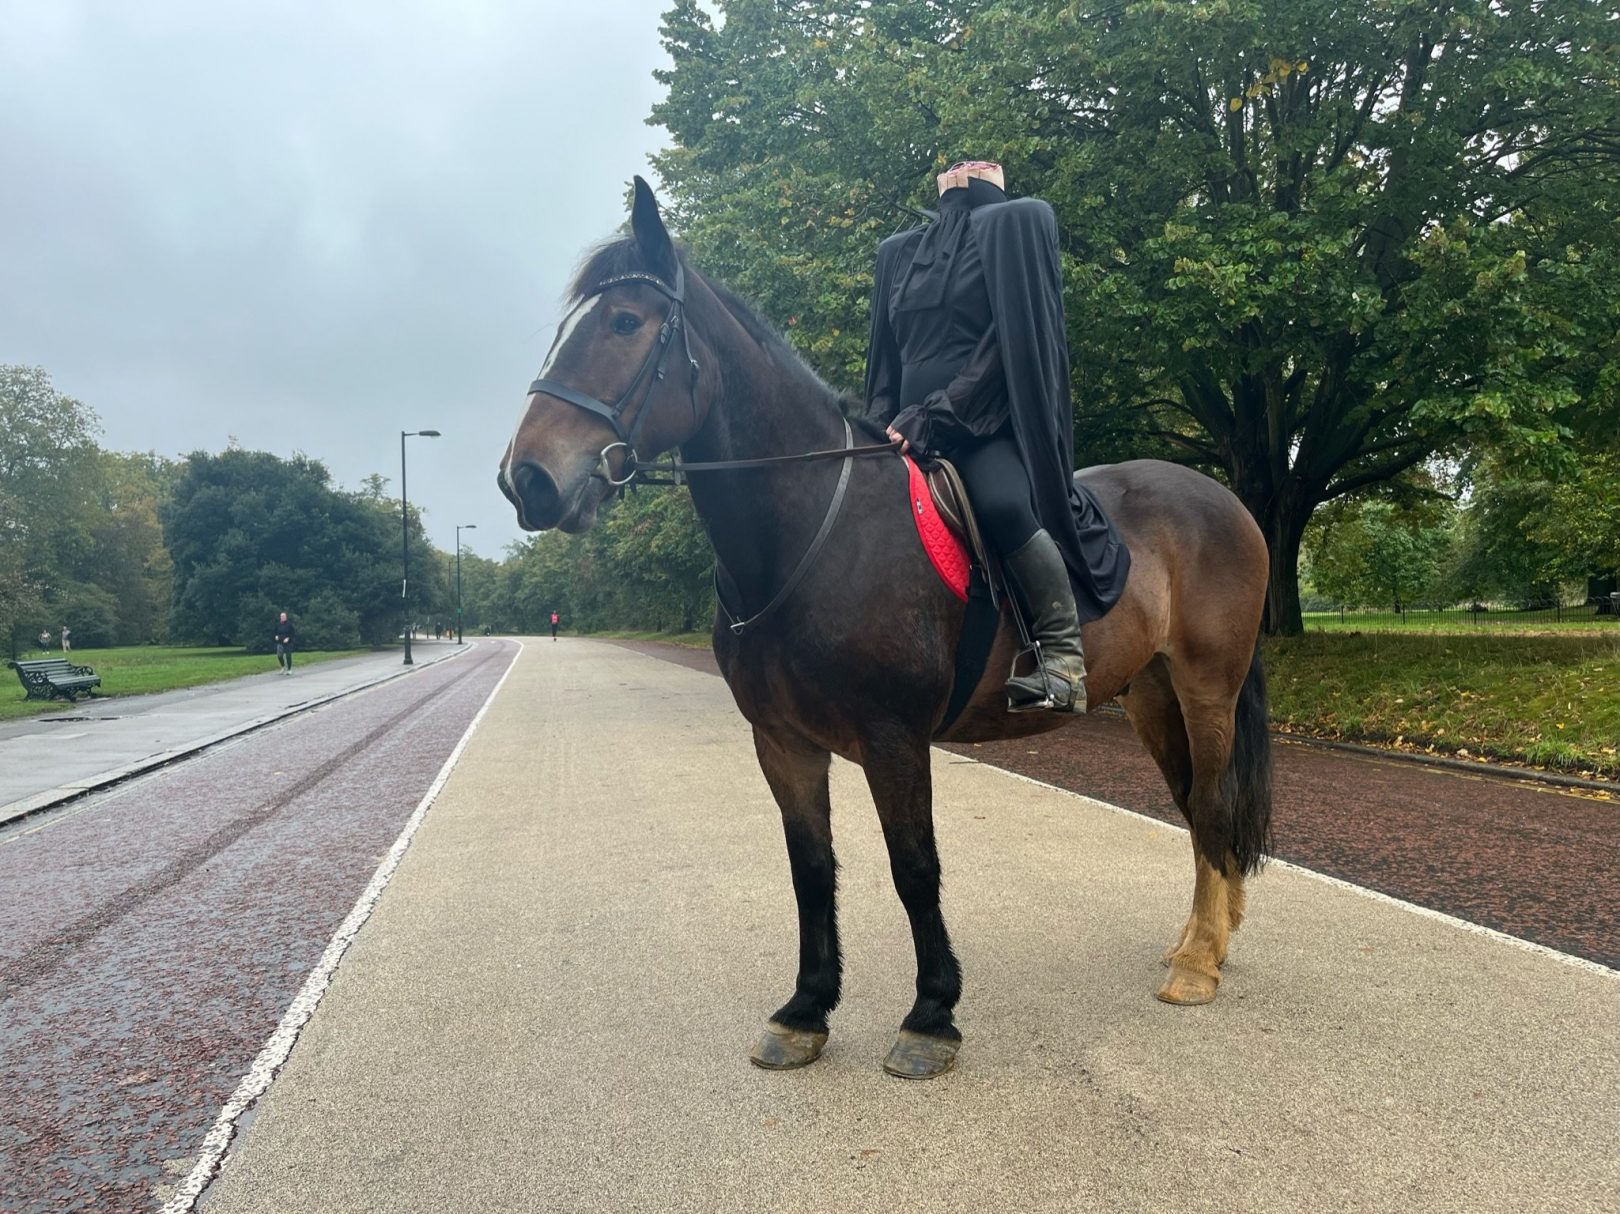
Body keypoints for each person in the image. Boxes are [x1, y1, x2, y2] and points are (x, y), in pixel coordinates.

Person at [865, 159, 1129, 712]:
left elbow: (999, 354)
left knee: (1004, 503)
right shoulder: (898, 253)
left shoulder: (1016, 225)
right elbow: (885, 356)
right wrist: (880, 423)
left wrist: (933, 416)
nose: (958, 169)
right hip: (907, 429)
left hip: (982, 425)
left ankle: (1063, 660)